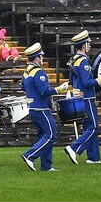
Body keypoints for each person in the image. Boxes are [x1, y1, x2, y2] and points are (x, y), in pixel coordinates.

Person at [63, 30, 101, 164]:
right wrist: (100, 80)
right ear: (84, 45)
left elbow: (71, 81)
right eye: (88, 43)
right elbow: (87, 82)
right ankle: (74, 148)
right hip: (87, 98)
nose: (90, 45)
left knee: (88, 128)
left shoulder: (74, 59)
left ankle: (93, 157)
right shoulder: (84, 61)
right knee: (94, 127)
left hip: (78, 97)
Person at [20, 43, 57, 172]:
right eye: (41, 56)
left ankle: (46, 166)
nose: (42, 59)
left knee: (44, 136)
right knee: (51, 135)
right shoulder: (38, 72)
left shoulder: (27, 71)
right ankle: (30, 155)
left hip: (33, 108)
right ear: (37, 58)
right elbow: (44, 91)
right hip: (41, 108)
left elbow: (23, 87)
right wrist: (58, 89)